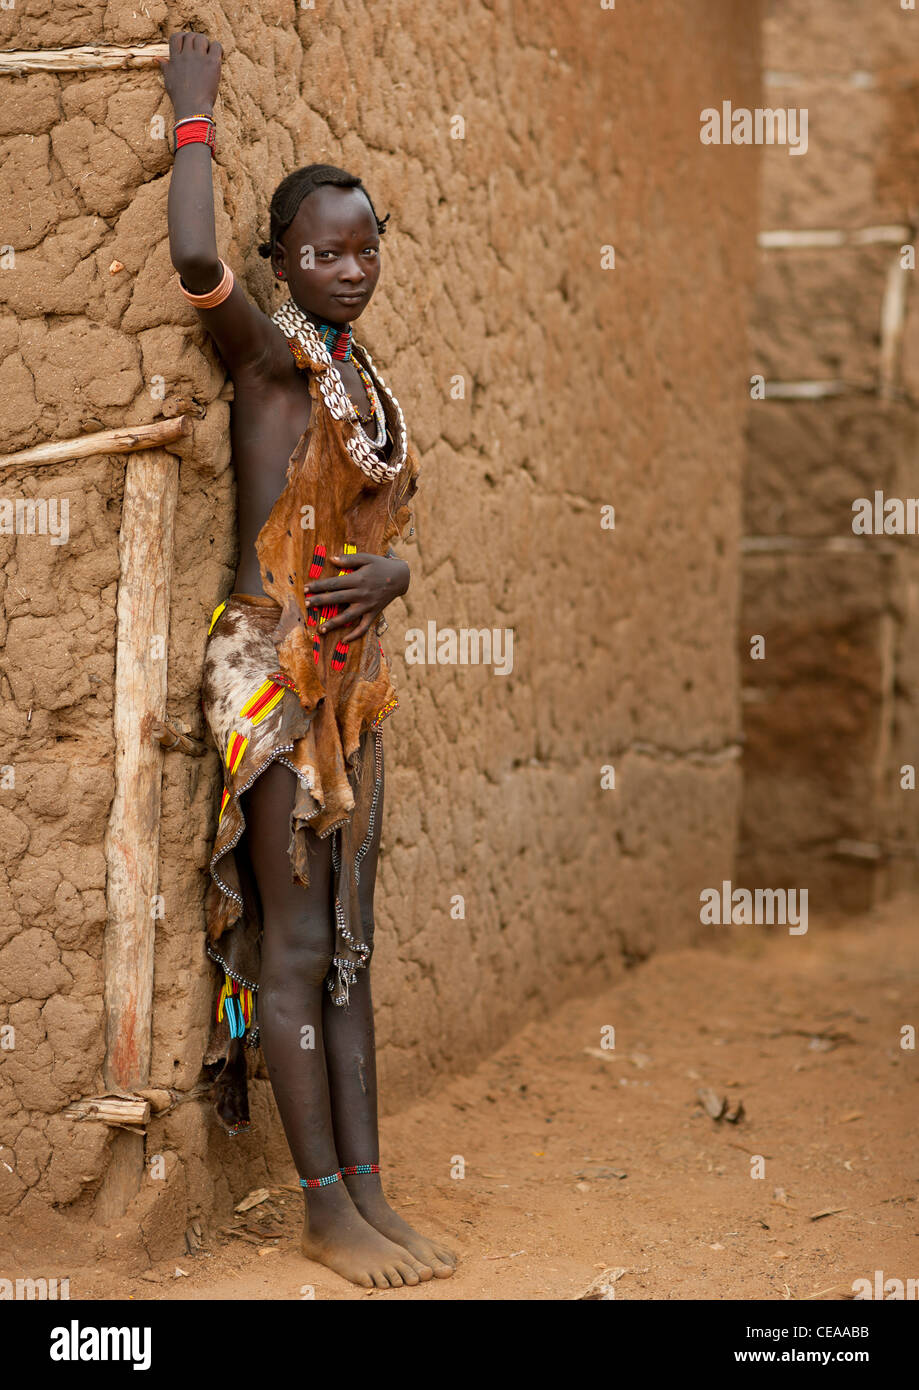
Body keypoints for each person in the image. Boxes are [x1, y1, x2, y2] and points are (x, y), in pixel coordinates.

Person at [158, 30, 455, 1289]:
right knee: (293, 942)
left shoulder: (356, 372)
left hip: (345, 681)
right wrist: (194, 113)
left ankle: (370, 1189)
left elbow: (373, 533)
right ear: (283, 260)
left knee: (348, 943)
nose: (349, 269)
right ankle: (321, 1210)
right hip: (271, 674)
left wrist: (397, 577)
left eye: (365, 248)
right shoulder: (273, 357)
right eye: (323, 252)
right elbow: (193, 258)